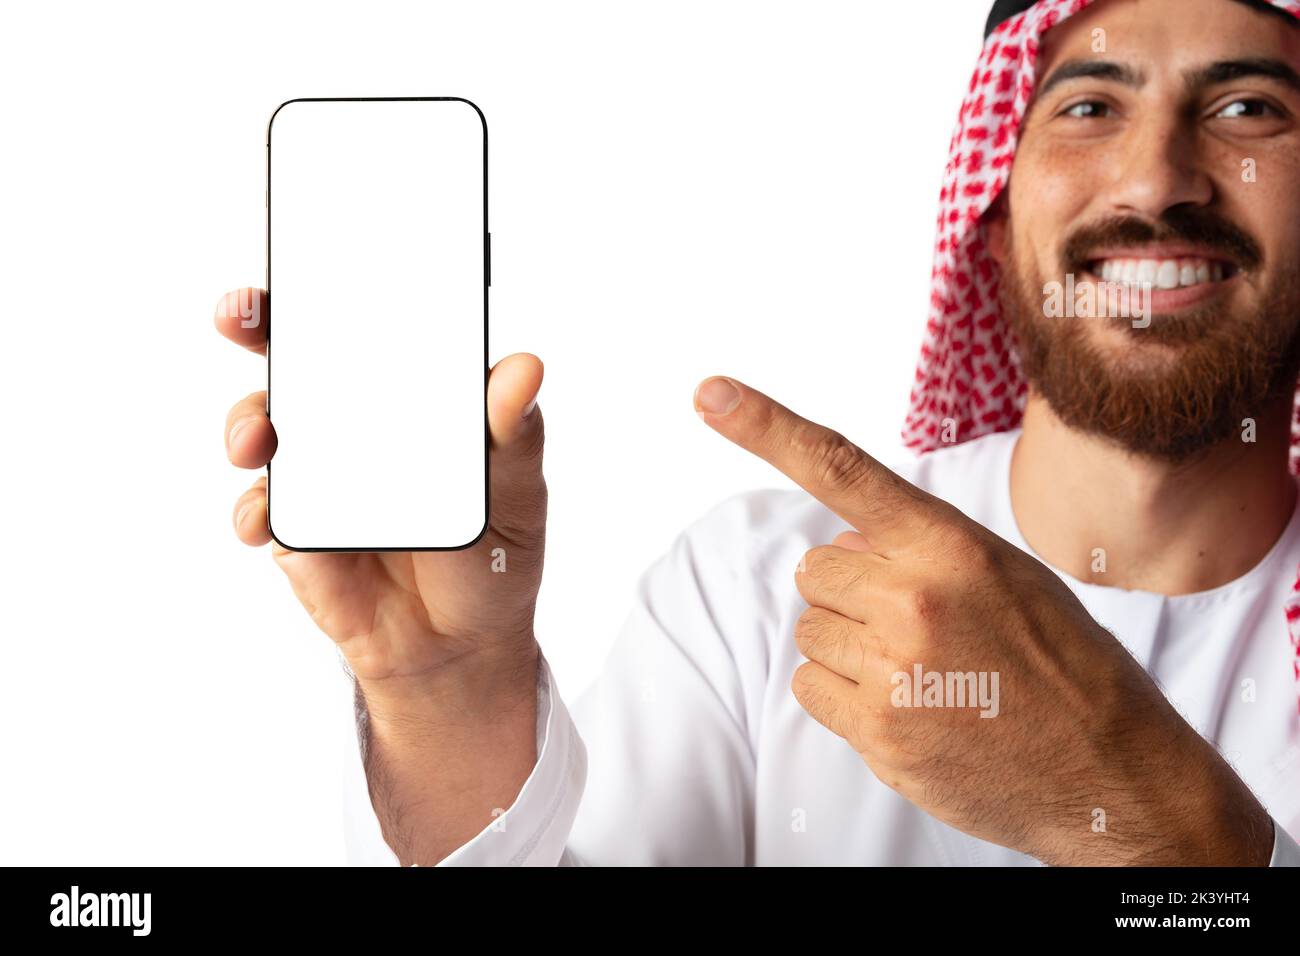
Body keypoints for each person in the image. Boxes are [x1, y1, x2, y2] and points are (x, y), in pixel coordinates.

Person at [215, 0, 1300, 865]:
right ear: (996, 197)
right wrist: (442, 688)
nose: (1156, 179)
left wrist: (1130, 807)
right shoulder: (757, 590)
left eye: (1249, 107)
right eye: (1087, 107)